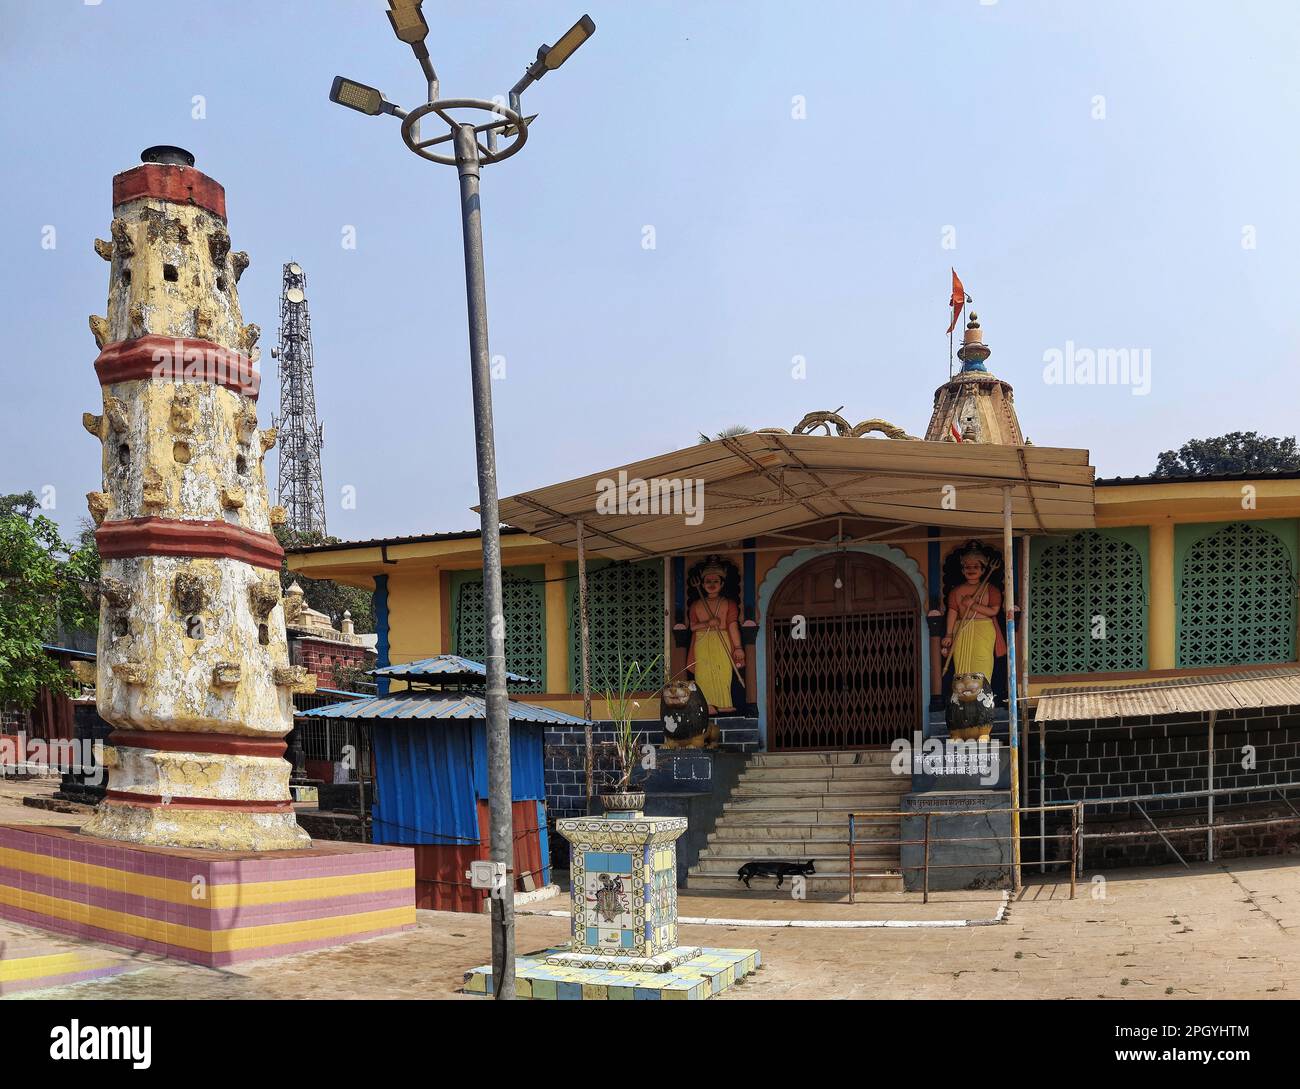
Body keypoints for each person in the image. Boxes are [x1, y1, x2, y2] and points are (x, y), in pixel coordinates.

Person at [940, 548, 1005, 683]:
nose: (971, 570)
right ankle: (962, 694)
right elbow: (952, 612)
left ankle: (982, 694)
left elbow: (993, 611)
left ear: (983, 570)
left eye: (976, 566)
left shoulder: (991, 589)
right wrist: (949, 634)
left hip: (983, 630)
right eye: (967, 567)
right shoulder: (956, 591)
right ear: (963, 570)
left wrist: (973, 604)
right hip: (961, 629)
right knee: (962, 665)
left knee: (982, 660)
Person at [687, 564, 744, 714]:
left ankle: (724, 704)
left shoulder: (728, 603)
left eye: (715, 581)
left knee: (723, 672)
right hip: (702, 641)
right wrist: (708, 623)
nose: (711, 585)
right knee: (703, 673)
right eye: (708, 581)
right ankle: (706, 704)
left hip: (722, 639)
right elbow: (692, 627)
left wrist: (738, 647)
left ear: (722, 583)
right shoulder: (695, 605)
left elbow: (732, 626)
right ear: (702, 584)